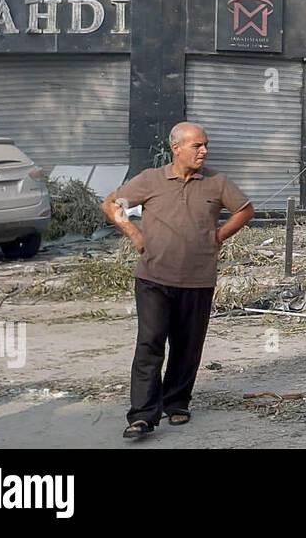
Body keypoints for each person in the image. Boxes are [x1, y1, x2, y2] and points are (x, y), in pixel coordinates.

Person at [102, 122, 254, 440]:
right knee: (150, 342)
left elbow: (245, 210)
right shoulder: (150, 180)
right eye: (197, 145)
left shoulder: (217, 182)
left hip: (198, 279)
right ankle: (142, 415)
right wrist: (134, 234)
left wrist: (218, 236)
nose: (204, 151)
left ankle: (177, 403)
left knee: (187, 345)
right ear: (177, 148)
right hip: (154, 278)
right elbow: (112, 205)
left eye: (205, 145)